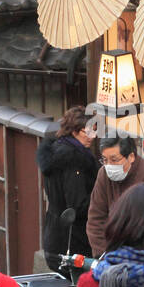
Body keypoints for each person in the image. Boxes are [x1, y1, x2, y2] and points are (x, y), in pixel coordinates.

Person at [86, 134, 144, 258]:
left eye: (114, 160)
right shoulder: (104, 174)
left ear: (131, 157)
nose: (109, 165)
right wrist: (105, 255)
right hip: (111, 255)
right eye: (105, 160)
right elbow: (96, 219)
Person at [36, 106, 99, 270]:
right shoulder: (74, 160)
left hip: (55, 237)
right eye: (87, 132)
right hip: (73, 243)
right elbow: (77, 205)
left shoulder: (55, 153)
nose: (92, 136)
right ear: (74, 131)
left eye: (94, 130)